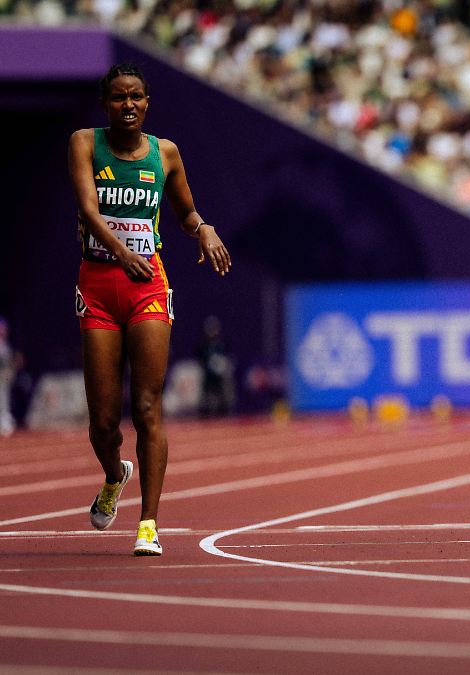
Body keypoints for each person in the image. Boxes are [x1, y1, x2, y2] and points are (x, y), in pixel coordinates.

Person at [69, 62, 232, 556]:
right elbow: (87, 211)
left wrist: (202, 227)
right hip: (99, 285)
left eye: (137, 97)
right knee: (102, 421)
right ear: (106, 104)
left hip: (148, 288)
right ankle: (115, 473)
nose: (129, 105)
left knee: (146, 406)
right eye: (119, 98)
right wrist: (123, 254)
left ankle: (148, 523)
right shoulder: (84, 142)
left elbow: (184, 212)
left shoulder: (166, 153)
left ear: (147, 101)